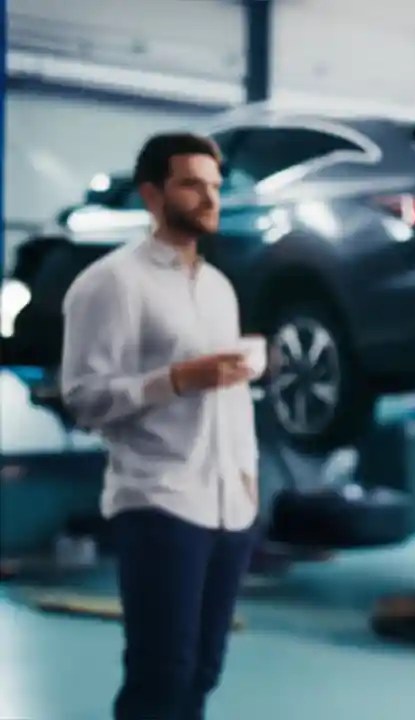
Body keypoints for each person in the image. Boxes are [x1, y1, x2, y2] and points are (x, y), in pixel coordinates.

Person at [60, 132, 260, 720]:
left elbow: (228, 399)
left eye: (216, 187)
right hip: (160, 501)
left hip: (229, 507)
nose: (209, 198)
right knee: (159, 677)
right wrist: (174, 380)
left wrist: (248, 483)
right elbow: (84, 399)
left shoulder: (220, 289)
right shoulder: (111, 284)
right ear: (152, 194)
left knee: (202, 671)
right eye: (192, 184)